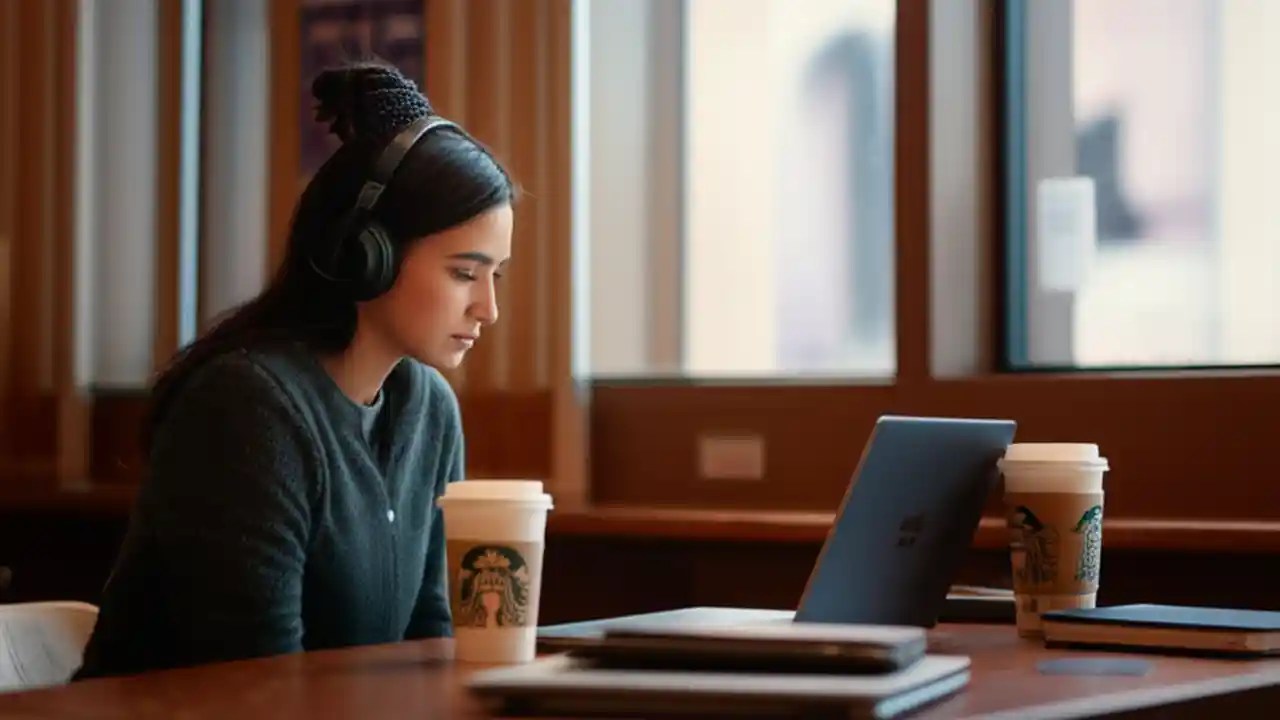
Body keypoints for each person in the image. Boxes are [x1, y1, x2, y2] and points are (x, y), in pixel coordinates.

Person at [74, 62, 514, 678]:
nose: (487, 308)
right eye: (465, 274)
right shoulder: (248, 406)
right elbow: (256, 681)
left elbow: (427, 648)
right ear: (367, 255)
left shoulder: (430, 410)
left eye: (496, 275)